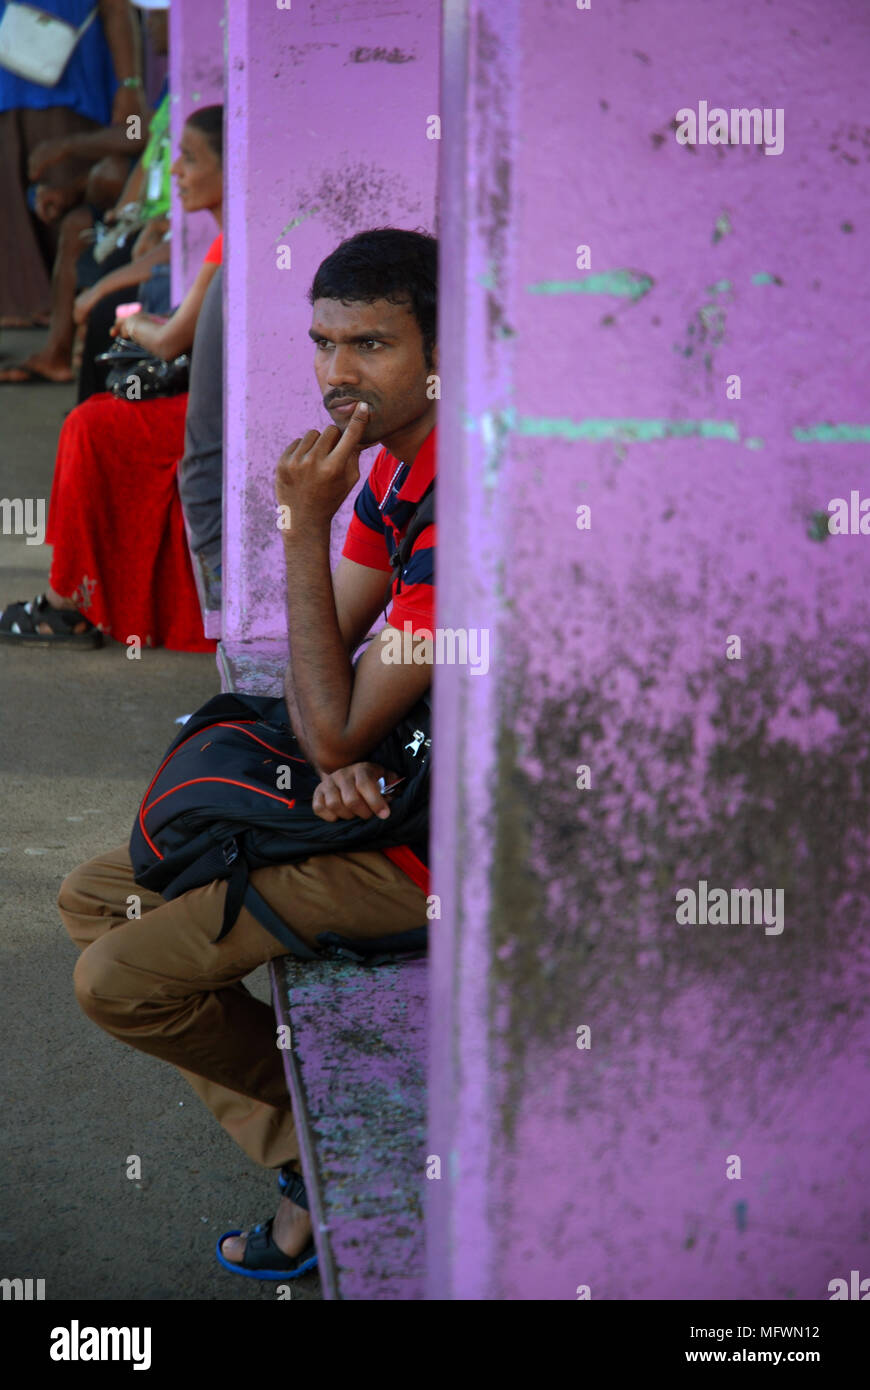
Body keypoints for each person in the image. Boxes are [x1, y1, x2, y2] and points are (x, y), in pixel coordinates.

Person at [56, 227, 438, 1281]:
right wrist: (344, 733)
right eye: (322, 343)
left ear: (445, 356)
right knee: (98, 895)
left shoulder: (466, 504)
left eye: (371, 344)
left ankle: (325, 1162)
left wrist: (299, 534)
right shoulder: (399, 471)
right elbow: (338, 691)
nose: (335, 374)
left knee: (116, 978)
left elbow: (330, 721)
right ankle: (311, 1158)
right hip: (386, 788)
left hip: (433, 856)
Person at [0, 104, 223, 652]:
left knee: (90, 425)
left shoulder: (231, 240)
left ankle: (67, 604)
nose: (175, 172)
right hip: (208, 406)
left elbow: (170, 340)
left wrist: (134, 322)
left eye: (189, 160)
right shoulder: (225, 236)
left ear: (230, 169)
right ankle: (68, 597)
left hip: (215, 421)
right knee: (93, 418)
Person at [0, 0, 171, 386]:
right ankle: (60, 350)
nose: (153, 22)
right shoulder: (172, 82)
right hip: (30, 99)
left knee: (82, 216)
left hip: (83, 115)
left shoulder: (136, 84)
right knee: (73, 222)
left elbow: (134, 134)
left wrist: (69, 147)